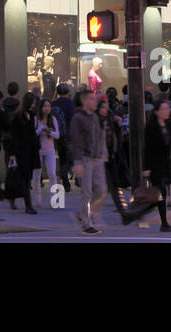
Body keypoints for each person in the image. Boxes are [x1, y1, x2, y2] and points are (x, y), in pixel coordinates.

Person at [67, 91, 108, 235]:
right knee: (87, 192)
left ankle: (81, 213)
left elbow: (99, 137)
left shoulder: (95, 117)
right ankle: (86, 223)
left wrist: (102, 154)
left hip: (97, 159)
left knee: (101, 190)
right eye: (91, 99)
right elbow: (75, 141)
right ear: (84, 101)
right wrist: (77, 162)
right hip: (85, 159)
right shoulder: (78, 118)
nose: (95, 101)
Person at [139, 99, 171, 232]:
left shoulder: (168, 125)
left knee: (158, 194)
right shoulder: (151, 127)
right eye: (164, 109)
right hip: (154, 164)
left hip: (164, 163)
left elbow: (169, 143)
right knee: (161, 192)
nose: (167, 112)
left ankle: (137, 213)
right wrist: (146, 167)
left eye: (168, 109)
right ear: (157, 112)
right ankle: (164, 223)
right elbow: (147, 149)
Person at [98, 94, 132, 225]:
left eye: (106, 107)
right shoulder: (95, 121)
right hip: (99, 158)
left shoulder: (109, 118)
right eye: (103, 107)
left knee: (114, 186)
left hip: (110, 156)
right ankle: (86, 213)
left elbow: (115, 137)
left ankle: (123, 213)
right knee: (104, 189)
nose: (105, 109)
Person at [5, 93, 39, 215]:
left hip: (30, 150)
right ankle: (28, 205)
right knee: (24, 177)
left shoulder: (32, 115)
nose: (35, 104)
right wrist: (12, 153)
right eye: (33, 102)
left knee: (25, 176)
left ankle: (13, 197)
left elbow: (32, 133)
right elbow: (14, 136)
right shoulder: (18, 117)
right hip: (21, 151)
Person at [32, 98, 60, 207]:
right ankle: (37, 199)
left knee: (52, 174)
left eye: (49, 106)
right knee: (36, 175)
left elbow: (57, 135)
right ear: (41, 107)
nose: (47, 108)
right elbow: (33, 134)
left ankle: (53, 200)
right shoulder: (36, 119)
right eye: (45, 106)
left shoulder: (53, 119)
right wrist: (40, 130)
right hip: (38, 150)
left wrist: (49, 131)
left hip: (50, 150)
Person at [52, 83, 76, 190]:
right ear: (67, 92)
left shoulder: (54, 103)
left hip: (58, 133)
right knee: (71, 157)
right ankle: (62, 173)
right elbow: (72, 118)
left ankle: (65, 182)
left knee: (62, 157)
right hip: (69, 133)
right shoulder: (70, 103)